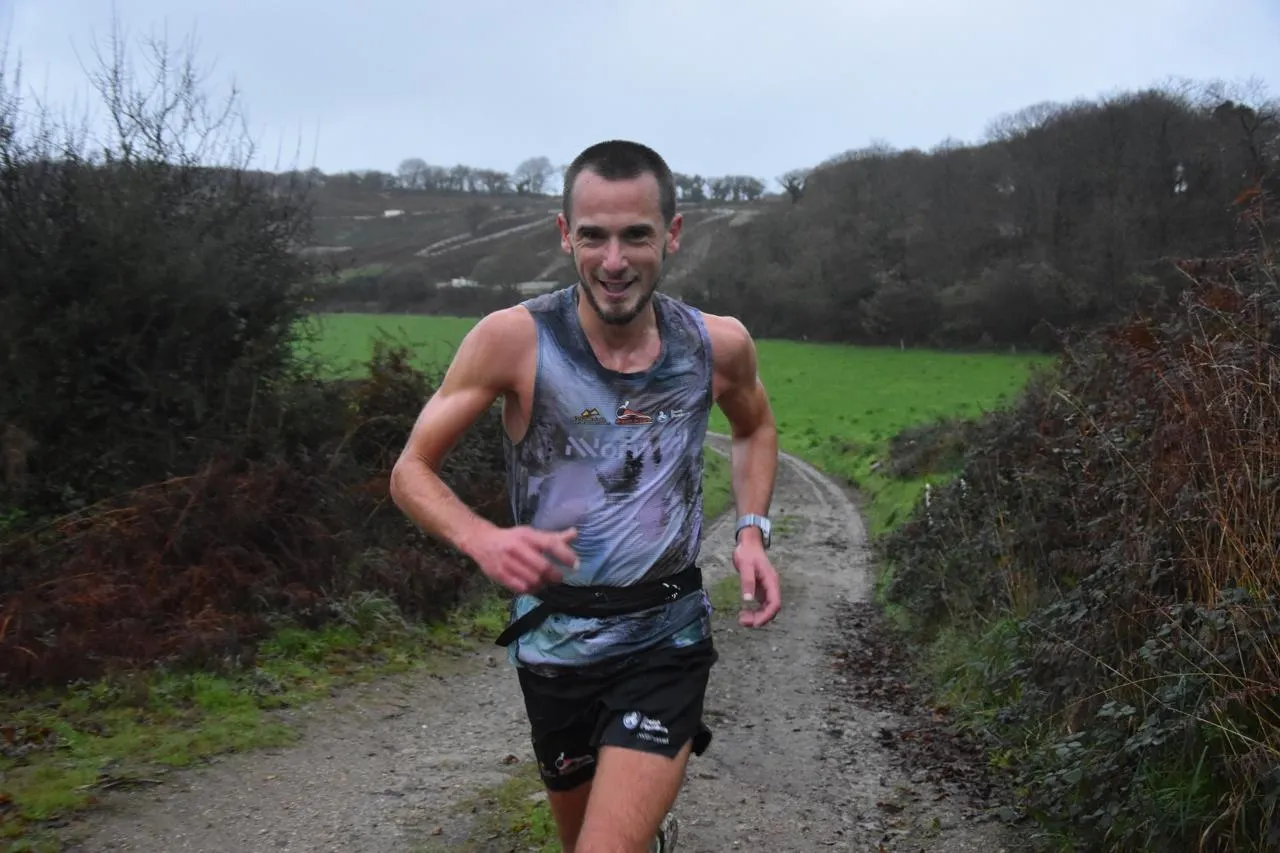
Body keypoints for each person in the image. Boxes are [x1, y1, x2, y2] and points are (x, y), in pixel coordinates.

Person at [389, 139, 781, 853]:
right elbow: (411, 469)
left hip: (668, 634)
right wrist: (482, 537)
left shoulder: (716, 346)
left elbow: (754, 428)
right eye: (593, 235)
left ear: (673, 233)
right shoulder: (514, 340)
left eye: (636, 234)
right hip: (555, 640)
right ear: (565, 234)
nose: (614, 260)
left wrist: (751, 528)